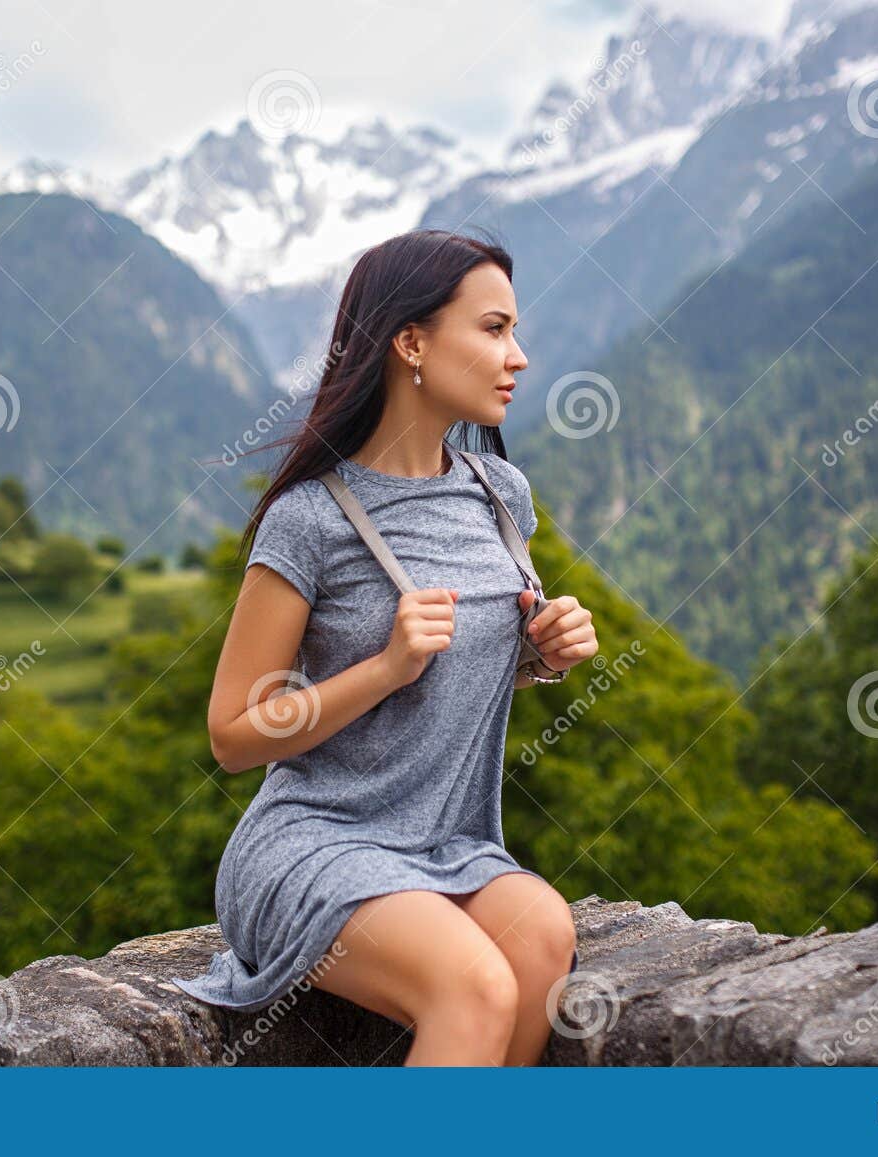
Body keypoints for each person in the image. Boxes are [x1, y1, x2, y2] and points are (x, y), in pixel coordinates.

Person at [170, 228, 600, 1066]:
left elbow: (468, 661)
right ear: (411, 341)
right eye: (494, 328)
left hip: (452, 843)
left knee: (544, 934)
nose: (519, 357)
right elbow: (231, 733)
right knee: (472, 983)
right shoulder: (311, 518)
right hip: (313, 841)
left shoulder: (500, 494)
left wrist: (542, 652)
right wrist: (382, 668)